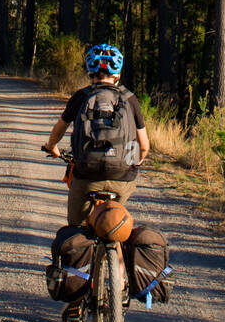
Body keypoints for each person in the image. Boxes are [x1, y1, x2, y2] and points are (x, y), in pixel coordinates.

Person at [44, 43, 150, 227]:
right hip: (123, 177)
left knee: (77, 227)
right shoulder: (130, 99)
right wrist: (137, 161)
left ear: (90, 71)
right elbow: (144, 146)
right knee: (117, 225)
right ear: (118, 73)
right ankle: (117, 251)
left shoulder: (81, 96)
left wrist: (52, 147)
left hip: (87, 175)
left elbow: (59, 129)